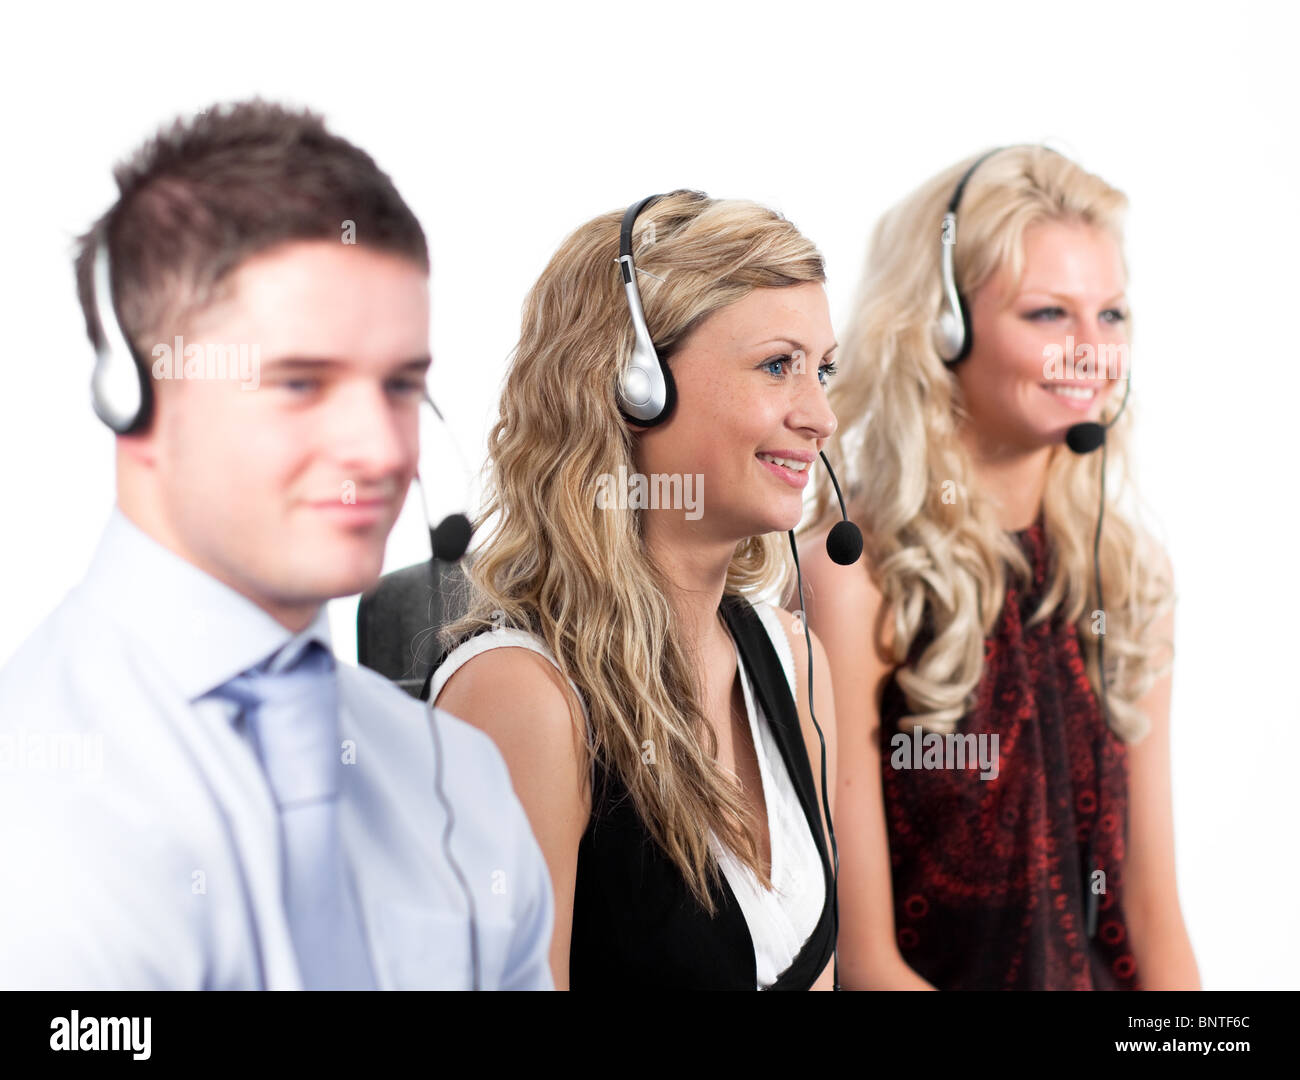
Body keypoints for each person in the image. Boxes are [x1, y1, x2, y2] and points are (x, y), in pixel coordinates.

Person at [0, 100, 553, 990]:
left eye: (401, 385)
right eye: (302, 382)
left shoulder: (456, 781)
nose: (380, 450)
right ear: (130, 392)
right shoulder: (31, 798)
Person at [798, 146, 1200, 990]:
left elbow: (1155, 924)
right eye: (1050, 314)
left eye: (1112, 315)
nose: (1091, 351)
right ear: (944, 325)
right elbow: (863, 965)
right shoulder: (855, 572)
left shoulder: (1128, 577)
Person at [428, 190, 839, 989]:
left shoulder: (792, 661)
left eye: (824, 370)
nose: (820, 414)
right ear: (631, 386)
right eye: (778, 365)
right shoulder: (524, 699)